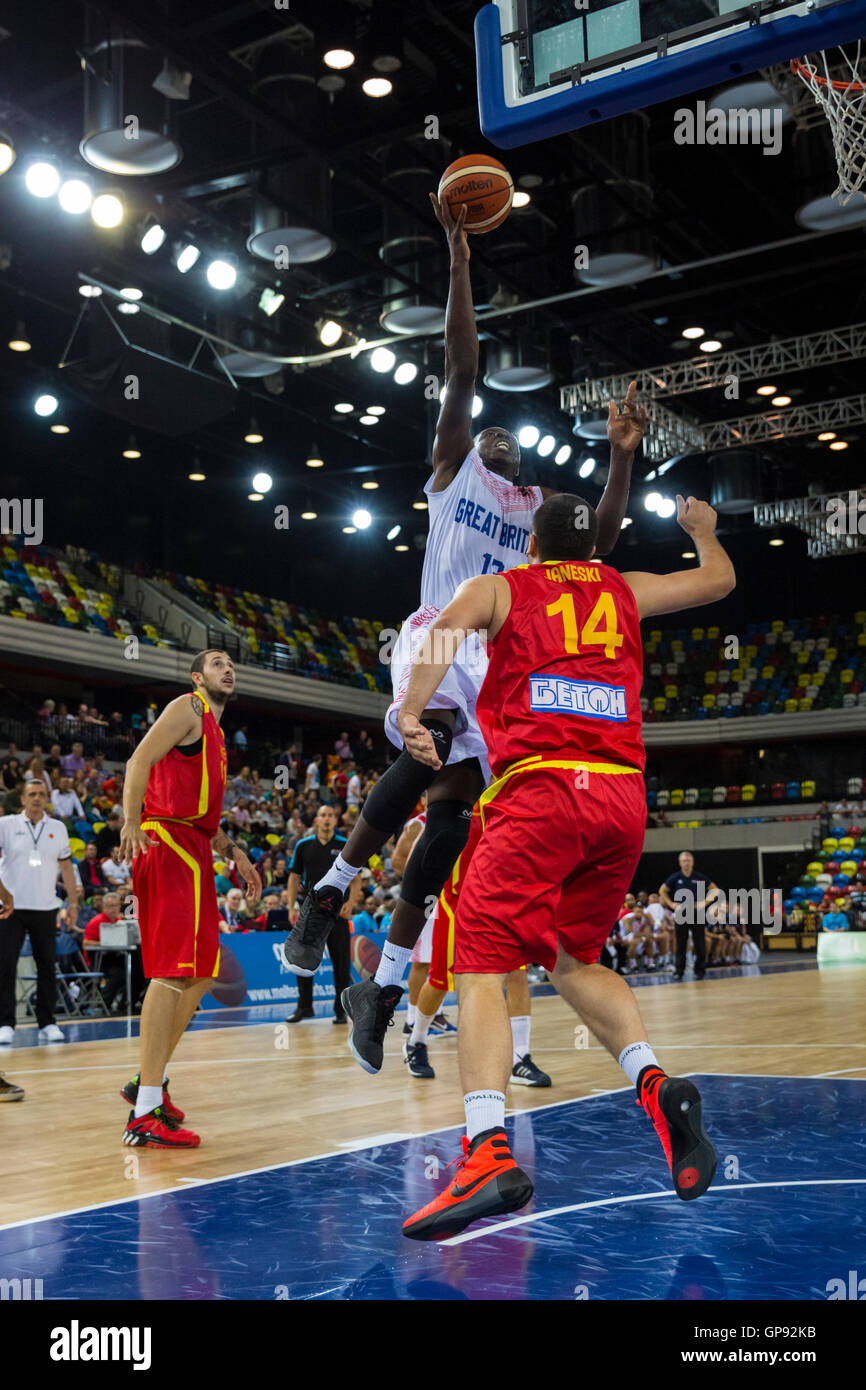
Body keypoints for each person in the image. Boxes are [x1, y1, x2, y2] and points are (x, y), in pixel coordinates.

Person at [282, 191, 638, 1038]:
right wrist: (460, 259)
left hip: (499, 662)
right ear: (466, 448)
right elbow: (466, 369)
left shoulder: (538, 515)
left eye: (514, 443)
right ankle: (331, 886)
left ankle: (385, 988)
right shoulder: (453, 476)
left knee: (451, 817)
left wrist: (622, 459)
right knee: (430, 731)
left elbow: (604, 536)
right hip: (440, 633)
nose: (503, 442)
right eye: (491, 439)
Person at [393, 490, 732, 1239]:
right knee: (572, 957)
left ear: (533, 545)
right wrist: (703, 532)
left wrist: (410, 715)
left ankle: (484, 1153)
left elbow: (443, 632)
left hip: (543, 788)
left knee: (480, 963)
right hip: (621, 799)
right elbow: (717, 582)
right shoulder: (624, 587)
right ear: (589, 551)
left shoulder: (501, 587)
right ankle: (655, 1084)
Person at [119, 650, 261, 1148]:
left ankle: (146, 1083)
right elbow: (138, 759)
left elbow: (202, 817)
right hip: (166, 842)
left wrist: (234, 852)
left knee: (201, 974)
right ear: (198, 677)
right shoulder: (189, 708)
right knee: (172, 972)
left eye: (231, 663)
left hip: (196, 845)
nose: (228, 668)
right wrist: (131, 820)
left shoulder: (217, 737)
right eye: (217, 662)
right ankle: (144, 1112)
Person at [0, 779, 82, 1045]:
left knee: (47, 966)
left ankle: (47, 1022)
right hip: (11, 908)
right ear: (22, 799)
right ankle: (5, 1023)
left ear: (47, 798)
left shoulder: (57, 828)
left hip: (46, 907)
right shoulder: (6, 825)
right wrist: (3, 894)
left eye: (41, 794)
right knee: (5, 966)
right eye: (32, 794)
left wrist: (72, 904)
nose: (37, 798)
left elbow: (67, 868)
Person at [285, 806, 361, 1025]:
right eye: (323, 815)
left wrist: (351, 902)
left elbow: (356, 879)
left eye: (330, 815)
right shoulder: (303, 845)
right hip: (311, 913)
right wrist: (291, 907)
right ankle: (305, 1007)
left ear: (335, 820)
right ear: (316, 820)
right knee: (303, 960)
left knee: (341, 963)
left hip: (338, 912)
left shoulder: (345, 845)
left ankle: (340, 1010)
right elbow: (294, 877)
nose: (326, 819)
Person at [659, 851, 721, 981]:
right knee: (681, 943)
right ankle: (679, 971)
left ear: (692, 862)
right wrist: (671, 904)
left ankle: (700, 970)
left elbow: (715, 890)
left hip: (696, 912)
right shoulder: (675, 877)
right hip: (681, 912)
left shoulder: (699, 877)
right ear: (680, 863)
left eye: (688, 860)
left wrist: (704, 903)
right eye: (684, 861)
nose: (686, 863)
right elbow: (662, 890)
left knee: (700, 943)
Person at [83, 891, 146, 1013]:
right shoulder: (96, 922)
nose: (114, 909)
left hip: (117, 957)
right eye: (110, 906)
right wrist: (104, 943)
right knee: (119, 974)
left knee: (138, 973)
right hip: (99, 960)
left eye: (116, 905)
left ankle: (127, 1003)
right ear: (104, 906)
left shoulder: (120, 921)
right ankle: (105, 1005)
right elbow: (86, 944)